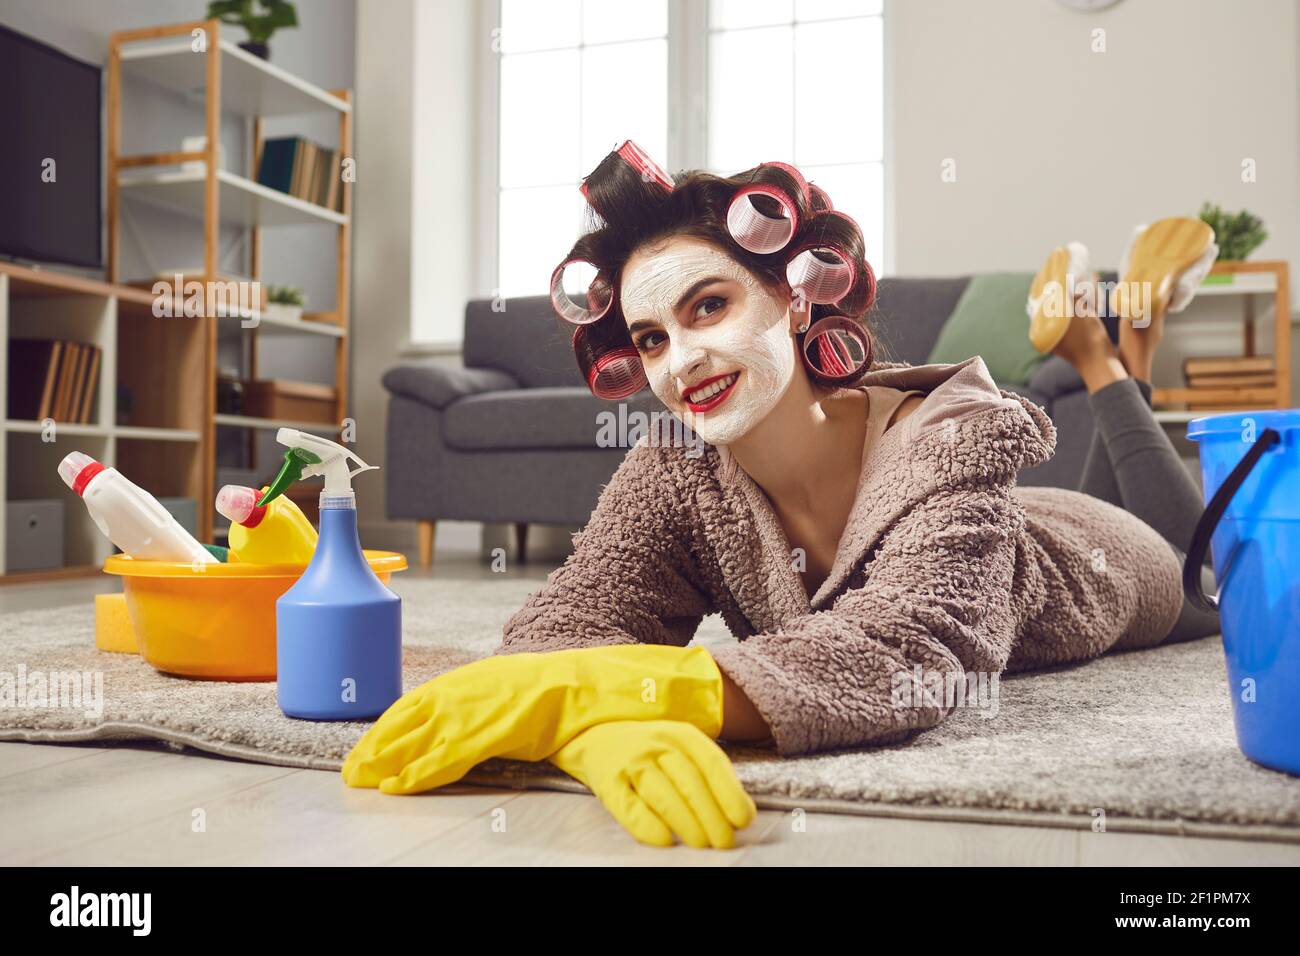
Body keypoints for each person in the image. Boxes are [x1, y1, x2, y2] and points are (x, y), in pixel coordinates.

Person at [343, 142, 1219, 849]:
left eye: (709, 307)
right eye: (650, 339)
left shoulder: (956, 432)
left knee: (1209, 573)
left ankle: (1105, 355)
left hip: (1110, 562)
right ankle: (1128, 337)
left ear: (795, 300)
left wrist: (643, 687)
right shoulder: (675, 469)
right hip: (1015, 530)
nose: (680, 364)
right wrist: (606, 728)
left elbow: (914, 656)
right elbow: (574, 621)